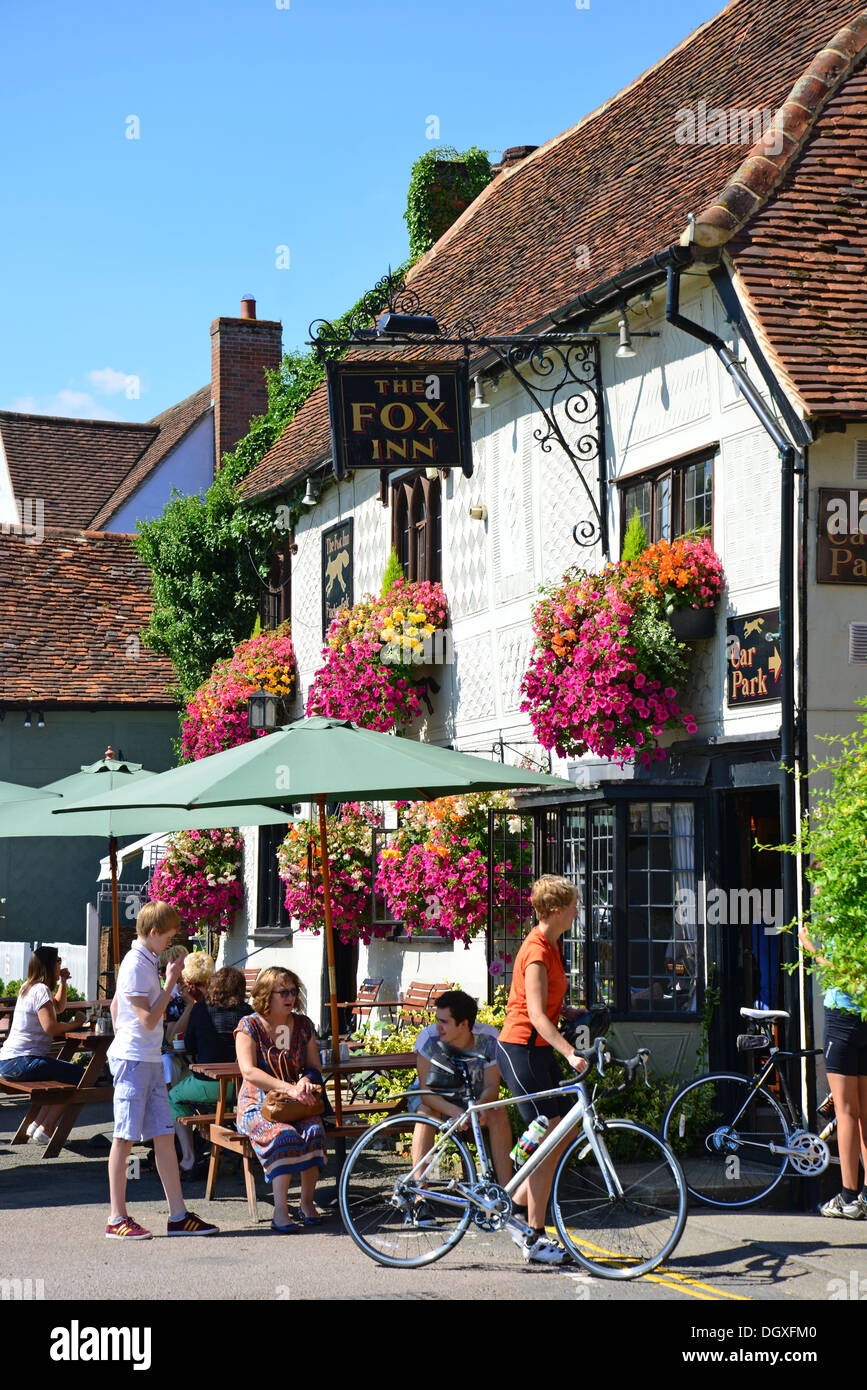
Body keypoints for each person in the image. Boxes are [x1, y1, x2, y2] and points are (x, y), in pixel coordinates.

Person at [105, 901, 219, 1239]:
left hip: (146, 1057)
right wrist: (170, 984)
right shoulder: (136, 964)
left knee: (164, 1136)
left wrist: (127, 1036)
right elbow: (149, 1018)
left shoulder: (144, 959)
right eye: (168, 936)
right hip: (136, 1059)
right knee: (124, 1137)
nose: (171, 941)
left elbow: (115, 1006)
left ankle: (178, 1214)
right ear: (154, 933)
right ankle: (116, 1217)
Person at [497, 874, 588, 1265]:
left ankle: (514, 1201)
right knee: (547, 1139)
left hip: (536, 1052)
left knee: (562, 1130)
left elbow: (547, 1005)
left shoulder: (552, 945)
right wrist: (569, 1052)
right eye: (573, 905)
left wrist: (569, 1012)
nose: (577, 911)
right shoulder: (535, 950)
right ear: (555, 910)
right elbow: (533, 1015)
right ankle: (534, 1236)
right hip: (520, 1050)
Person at [408, 990, 514, 1222]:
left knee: (498, 1112)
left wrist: (472, 1112)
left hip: (472, 1100)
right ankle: (419, 1196)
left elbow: (491, 1089)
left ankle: (507, 1193)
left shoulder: (488, 1039)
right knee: (427, 1113)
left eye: (444, 1022)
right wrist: (457, 1113)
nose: (438, 1027)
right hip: (434, 1097)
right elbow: (427, 1094)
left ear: (464, 1024)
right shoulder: (428, 1039)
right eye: (437, 1020)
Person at [234, 967, 326, 1232]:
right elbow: (248, 1071)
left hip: (295, 1102)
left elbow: (313, 1067)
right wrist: (289, 1088)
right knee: (283, 1135)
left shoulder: (303, 1024)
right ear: (266, 994)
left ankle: (307, 1203)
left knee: (314, 1130)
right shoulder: (249, 1025)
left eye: (293, 991)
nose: (290, 997)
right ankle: (280, 1211)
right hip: (257, 1104)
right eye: (283, 992)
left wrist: (307, 1080)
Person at [800, 924, 867, 1218]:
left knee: (847, 1111)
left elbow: (842, 973)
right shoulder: (859, 906)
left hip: (842, 1018)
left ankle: (849, 1197)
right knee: (864, 1112)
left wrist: (810, 948)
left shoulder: (842, 911)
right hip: (865, 1016)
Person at [168, 966, 251, 1175]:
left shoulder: (201, 1009)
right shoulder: (248, 1012)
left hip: (208, 1085)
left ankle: (188, 1157)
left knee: (172, 1097)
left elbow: (190, 1044)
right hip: (242, 1087)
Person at [0, 946, 86, 1143]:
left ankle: (38, 1124)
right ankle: (46, 1127)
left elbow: (59, 1006)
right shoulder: (40, 990)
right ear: (48, 965)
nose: (61, 965)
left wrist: (63, 982)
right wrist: (77, 1023)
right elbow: (51, 1028)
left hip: (8, 1061)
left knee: (62, 1077)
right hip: (22, 1062)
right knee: (80, 1076)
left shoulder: (29, 987)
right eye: (58, 962)